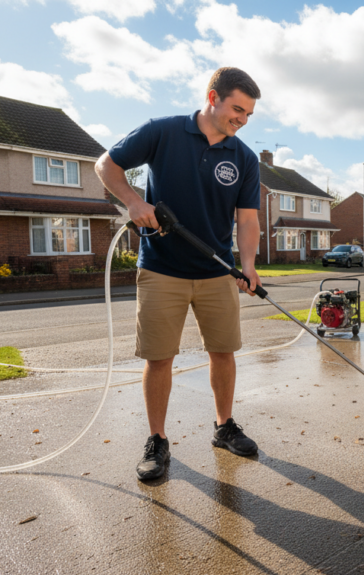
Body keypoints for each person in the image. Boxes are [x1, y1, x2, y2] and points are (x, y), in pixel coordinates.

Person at [95, 67, 263, 481]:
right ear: (213, 96)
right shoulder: (163, 132)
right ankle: (157, 440)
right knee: (159, 358)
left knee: (223, 351)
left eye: (248, 115)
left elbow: (247, 220)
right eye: (237, 109)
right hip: (161, 269)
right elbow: (106, 165)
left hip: (216, 271)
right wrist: (134, 202)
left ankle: (224, 427)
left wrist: (247, 265)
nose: (241, 120)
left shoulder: (243, 157)